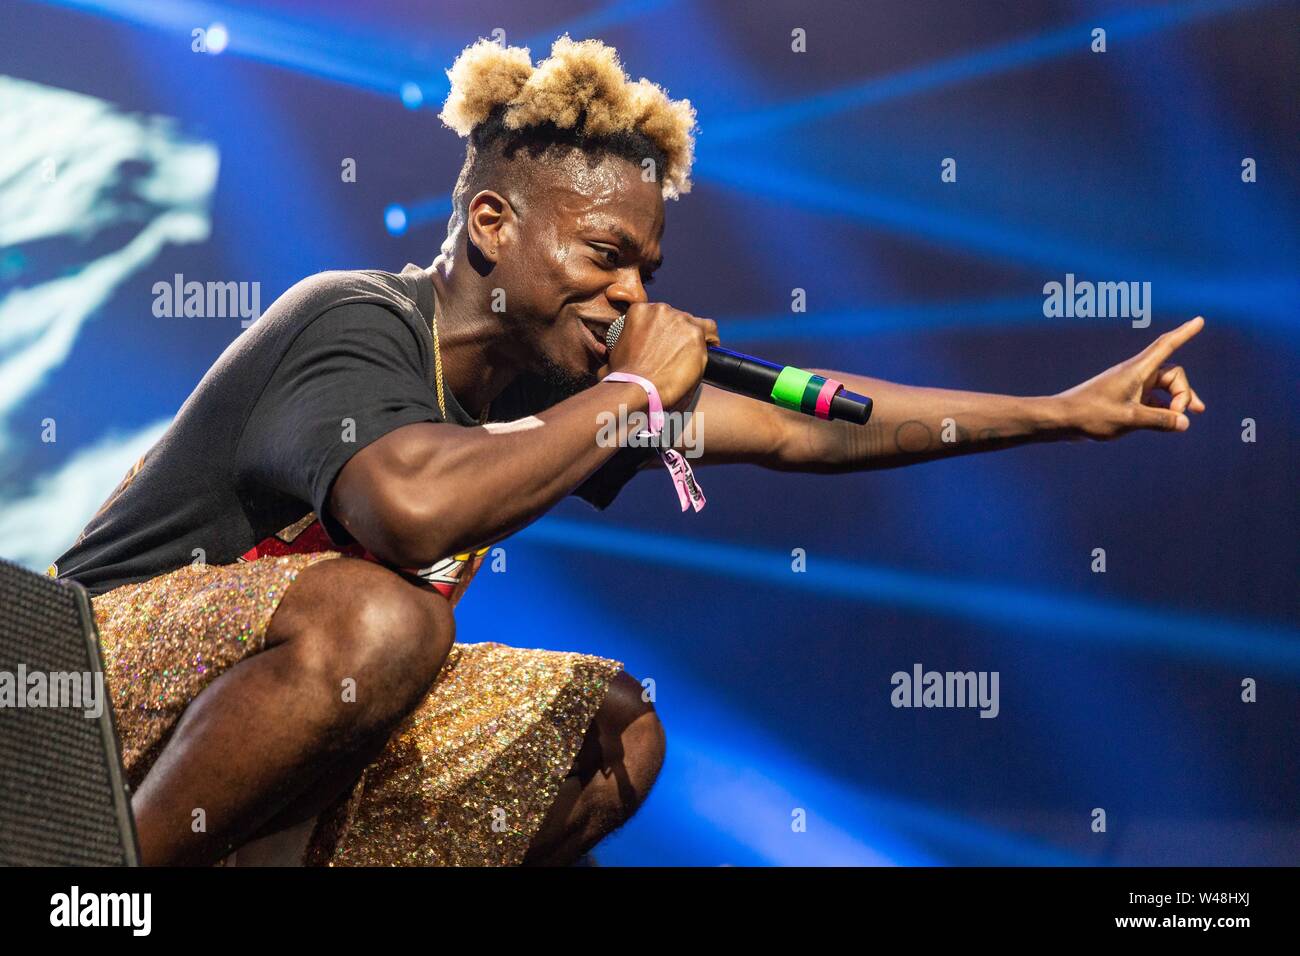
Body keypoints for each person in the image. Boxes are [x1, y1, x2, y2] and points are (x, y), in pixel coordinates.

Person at [51, 36, 1205, 866]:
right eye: (605, 252)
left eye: (647, 268)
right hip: (82, 683)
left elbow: (806, 429)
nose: (630, 289)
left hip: (254, 718)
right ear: (492, 226)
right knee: (386, 617)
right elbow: (406, 509)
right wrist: (632, 391)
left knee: (608, 728)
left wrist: (1063, 409)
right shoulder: (353, 316)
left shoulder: (559, 390)